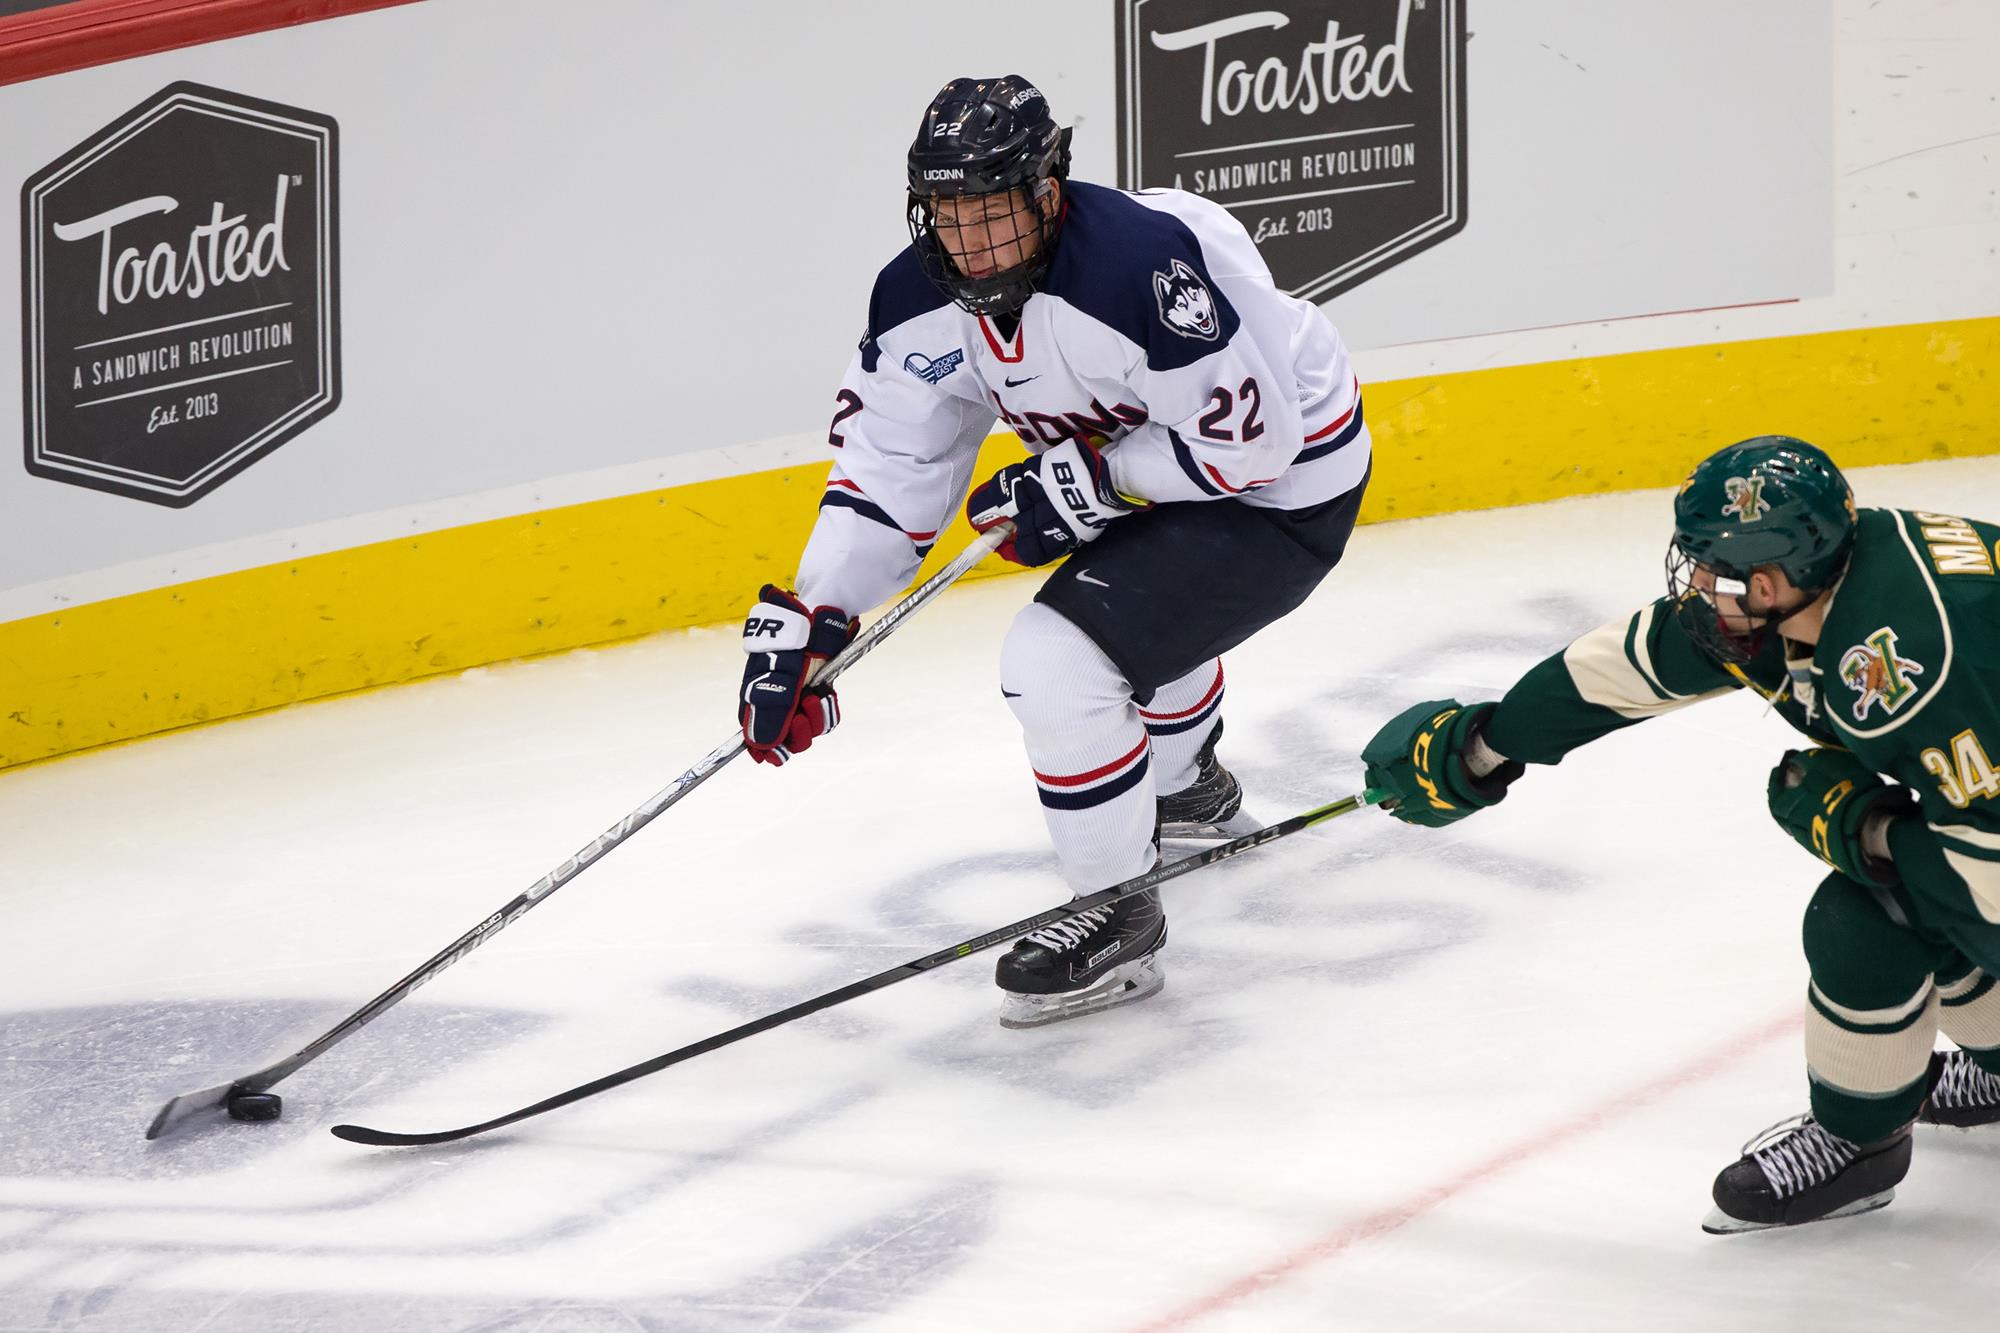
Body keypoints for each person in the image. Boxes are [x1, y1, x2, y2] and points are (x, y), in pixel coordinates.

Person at [734, 75, 1371, 1028]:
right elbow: (889, 467)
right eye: (950, 215)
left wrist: (1085, 484)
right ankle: (1186, 782)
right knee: (1133, 605)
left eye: (995, 213)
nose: (973, 243)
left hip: (1284, 486)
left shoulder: (1137, 271)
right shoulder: (913, 303)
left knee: (1057, 660)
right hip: (1149, 459)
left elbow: (1252, 447)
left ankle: (1120, 912)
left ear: (1048, 192)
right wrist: (818, 612)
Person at [1360, 435, 2000, 1233]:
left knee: (1868, 917)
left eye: (1712, 573)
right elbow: (1643, 660)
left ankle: (1858, 1146)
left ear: (1768, 580)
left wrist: (1863, 828)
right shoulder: (1825, 581)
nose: (1695, 587)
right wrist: (1486, 746)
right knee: (1911, 893)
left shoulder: (1917, 663)